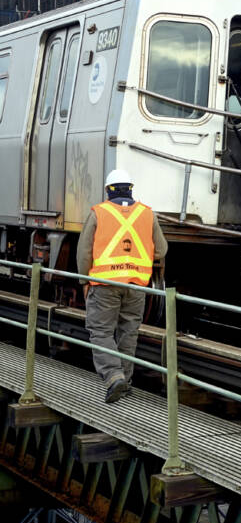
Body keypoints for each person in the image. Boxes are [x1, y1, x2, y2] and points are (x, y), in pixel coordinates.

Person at [76, 169, 168, 403]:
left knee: (101, 331)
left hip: (105, 284)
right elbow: (161, 250)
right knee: (129, 332)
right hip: (136, 285)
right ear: (131, 188)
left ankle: (113, 376)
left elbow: (84, 252)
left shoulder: (99, 212)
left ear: (108, 190)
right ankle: (125, 383)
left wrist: (84, 280)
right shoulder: (147, 214)